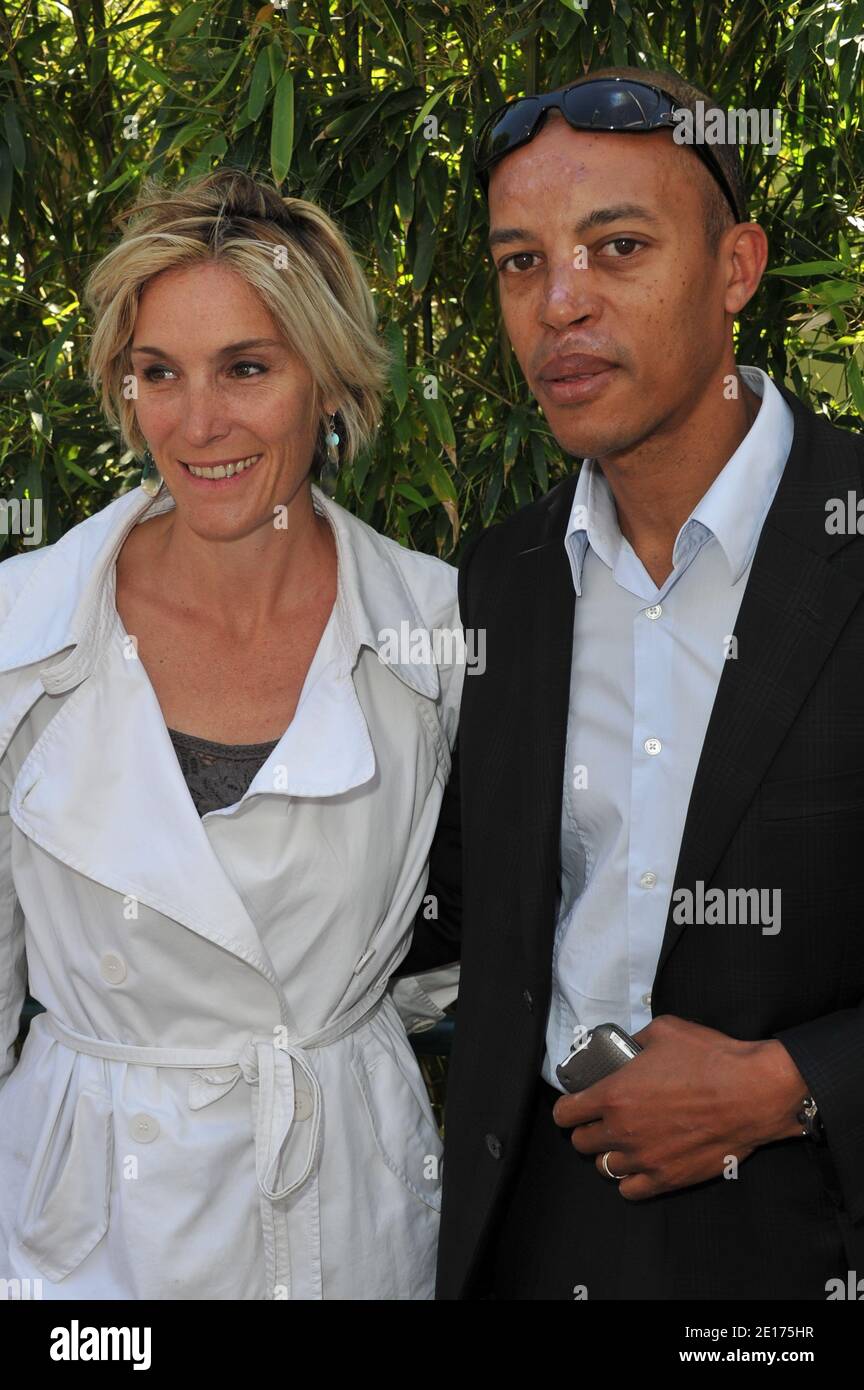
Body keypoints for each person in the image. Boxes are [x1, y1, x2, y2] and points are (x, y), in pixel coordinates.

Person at [401, 66, 864, 1299]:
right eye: (521, 262)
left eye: (618, 247)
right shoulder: (496, 583)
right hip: (533, 1231)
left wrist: (792, 1085)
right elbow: (449, 907)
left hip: (803, 1246)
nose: (561, 303)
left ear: (736, 267)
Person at [0, 168, 463, 1300]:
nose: (197, 422)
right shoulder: (20, 631)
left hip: (347, 1215)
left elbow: (481, 942)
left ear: (329, 380)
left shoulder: (438, 631)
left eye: (247, 368)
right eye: (159, 371)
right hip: (87, 1238)